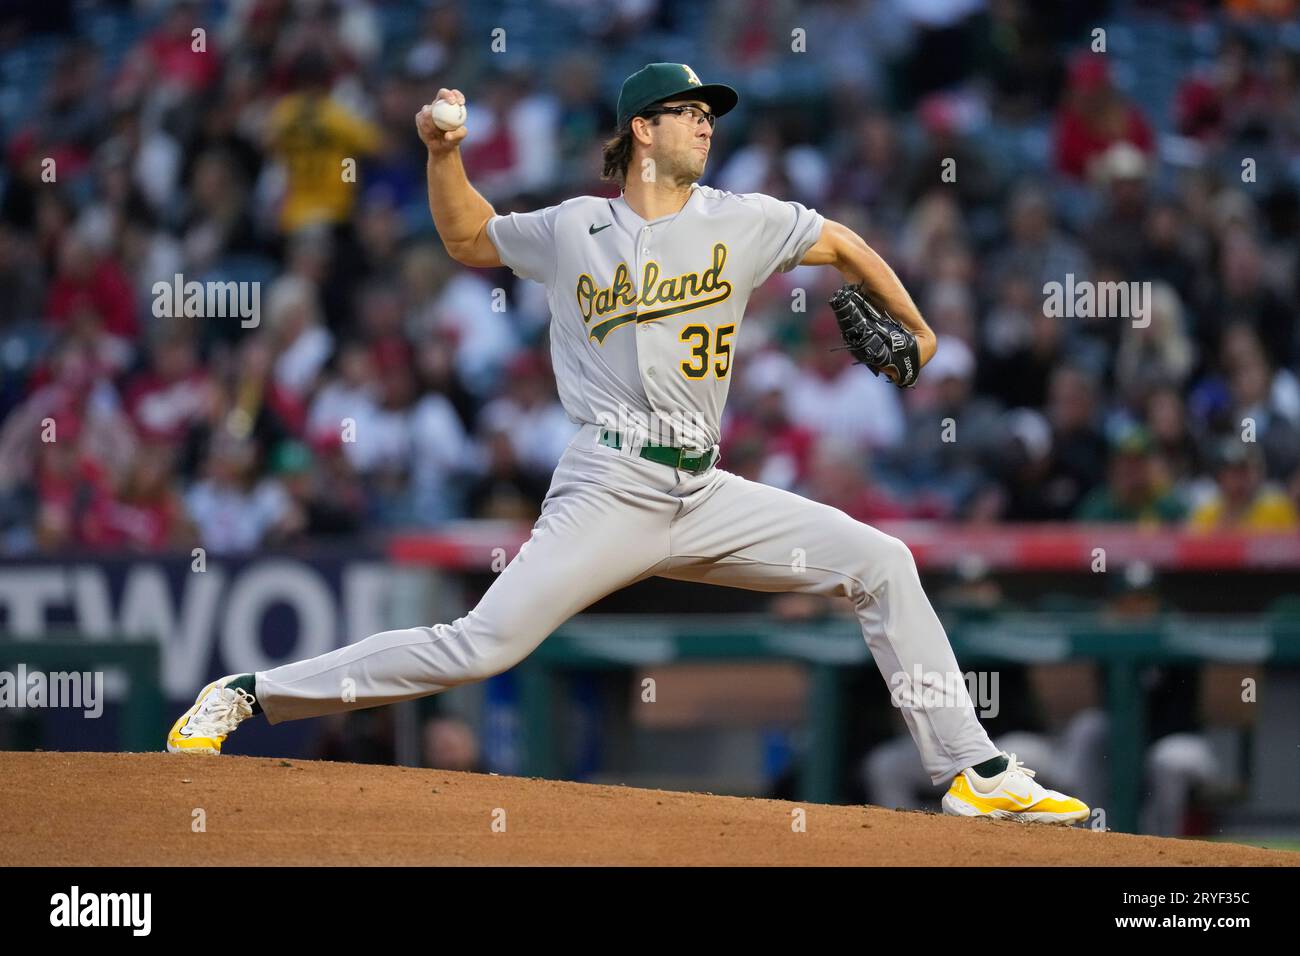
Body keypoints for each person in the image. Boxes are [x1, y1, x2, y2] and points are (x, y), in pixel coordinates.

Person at [167, 63, 1087, 824]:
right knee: (479, 645)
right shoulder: (575, 227)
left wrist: (918, 330)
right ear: (641, 130)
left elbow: (841, 242)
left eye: (707, 114)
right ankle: (252, 692)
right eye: (689, 113)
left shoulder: (743, 218)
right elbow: (465, 236)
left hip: (706, 489)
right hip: (607, 485)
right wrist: (444, 153)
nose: (706, 127)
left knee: (883, 561)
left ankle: (973, 770)